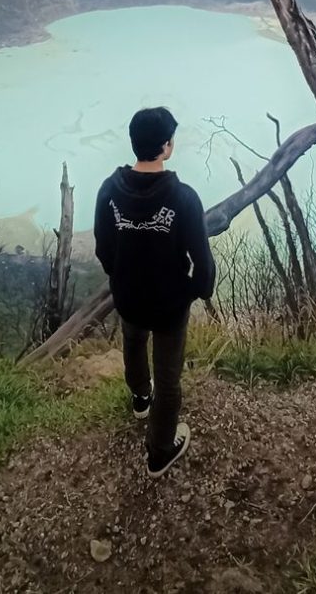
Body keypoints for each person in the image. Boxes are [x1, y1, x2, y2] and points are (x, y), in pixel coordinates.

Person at [93, 106, 215, 478]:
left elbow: (103, 246)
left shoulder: (109, 191)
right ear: (165, 146)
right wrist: (196, 291)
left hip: (128, 296)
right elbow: (202, 260)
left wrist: (120, 277)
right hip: (168, 304)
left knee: (132, 343)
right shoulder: (184, 198)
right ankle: (160, 450)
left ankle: (139, 397)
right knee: (169, 377)